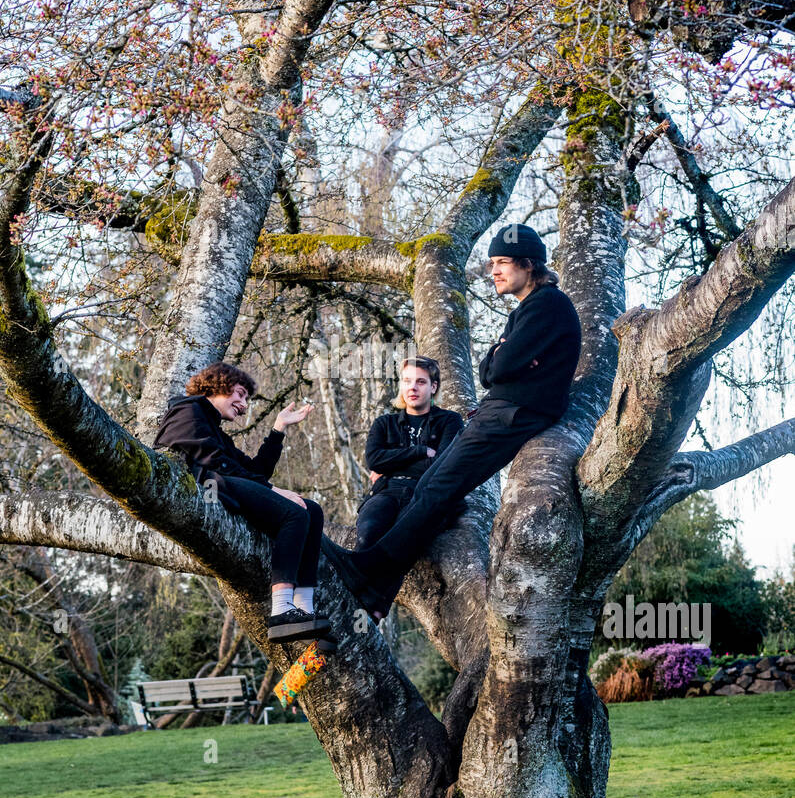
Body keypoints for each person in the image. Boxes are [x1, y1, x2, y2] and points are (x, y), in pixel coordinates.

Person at [322, 224, 582, 619]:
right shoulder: (527, 309)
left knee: (437, 490)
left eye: (502, 263)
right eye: (492, 262)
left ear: (528, 265)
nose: (494, 270)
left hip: (512, 415)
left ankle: (369, 572)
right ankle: (377, 593)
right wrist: (502, 358)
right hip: (501, 409)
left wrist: (504, 357)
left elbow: (503, 364)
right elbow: (487, 370)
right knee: (430, 487)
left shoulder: (548, 305)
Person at [153, 362, 334, 648]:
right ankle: (282, 610)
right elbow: (216, 462)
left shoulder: (216, 429)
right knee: (295, 513)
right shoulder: (188, 409)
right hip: (208, 482)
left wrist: (279, 428)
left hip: (221, 478)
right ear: (217, 385)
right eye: (239, 394)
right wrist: (273, 490)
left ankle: (304, 609)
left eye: (246, 399)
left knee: (312, 509)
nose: (243, 404)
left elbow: (254, 470)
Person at [356, 356, 464, 549]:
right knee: (366, 535)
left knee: (400, 541)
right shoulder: (384, 423)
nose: (412, 387)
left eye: (421, 382)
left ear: (433, 387)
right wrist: (420, 451)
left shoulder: (450, 421)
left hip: (429, 495)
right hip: (386, 492)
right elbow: (374, 460)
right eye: (407, 381)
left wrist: (390, 465)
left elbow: (443, 465)